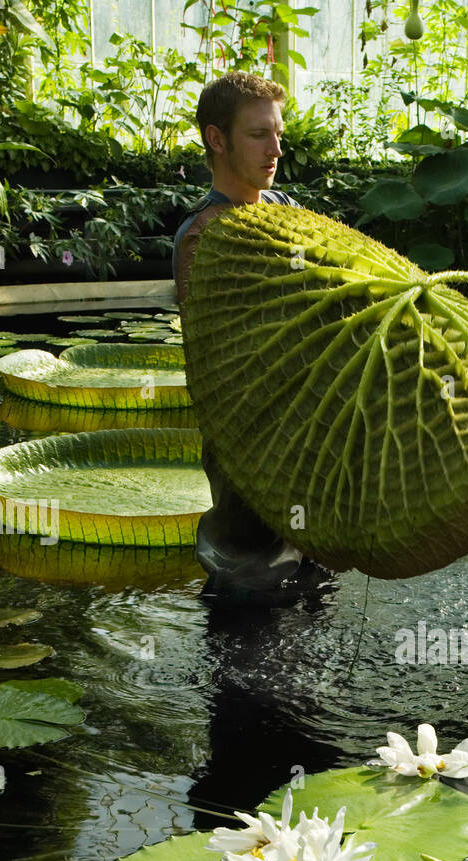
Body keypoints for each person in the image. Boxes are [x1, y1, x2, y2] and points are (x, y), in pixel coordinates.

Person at [175, 71, 320, 605]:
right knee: (249, 601)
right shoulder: (204, 236)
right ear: (218, 140)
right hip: (249, 451)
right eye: (259, 135)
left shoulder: (282, 208)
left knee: (309, 602)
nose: (276, 149)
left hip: (302, 448)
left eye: (278, 134)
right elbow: (220, 359)